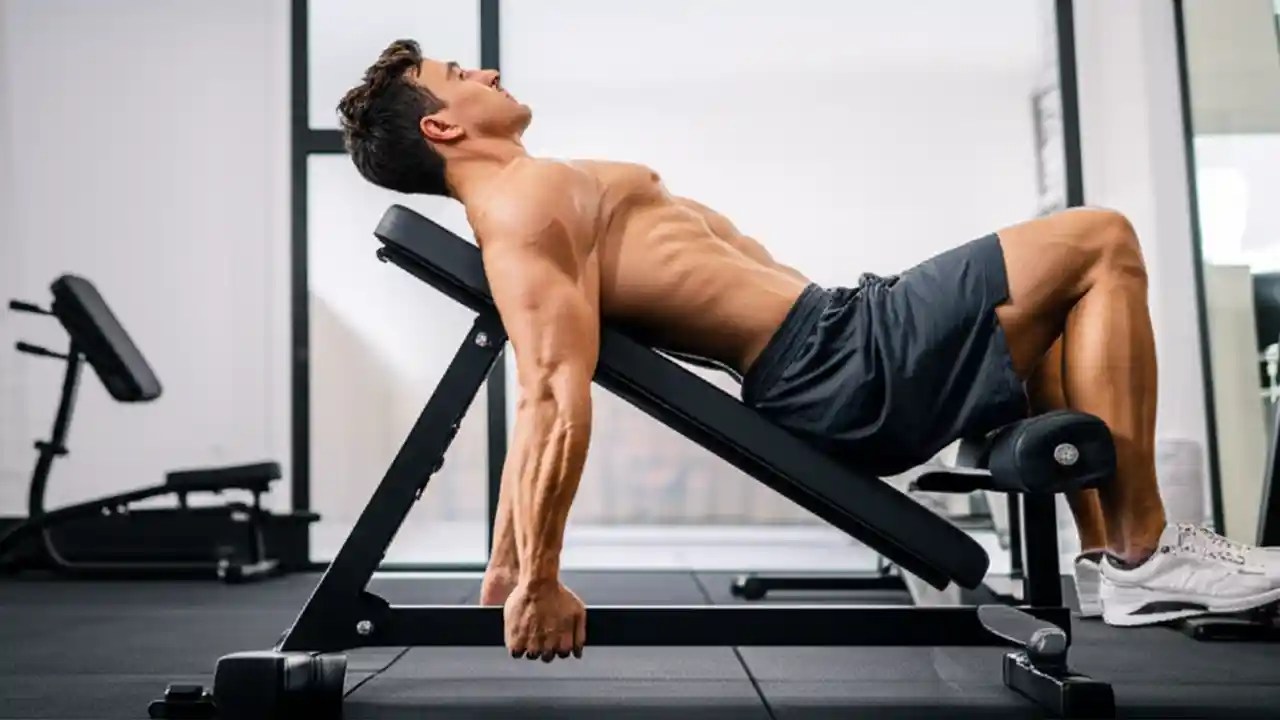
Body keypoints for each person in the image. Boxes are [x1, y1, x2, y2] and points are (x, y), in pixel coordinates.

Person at [337, 39, 1280, 662]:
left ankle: (1117, 561)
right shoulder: (525, 204)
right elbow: (549, 387)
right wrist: (537, 581)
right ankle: (1145, 554)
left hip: (838, 338)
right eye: (463, 74)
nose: (488, 73)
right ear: (442, 126)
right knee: (1100, 237)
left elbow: (535, 384)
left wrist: (505, 566)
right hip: (837, 360)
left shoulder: (536, 198)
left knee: (1056, 299)